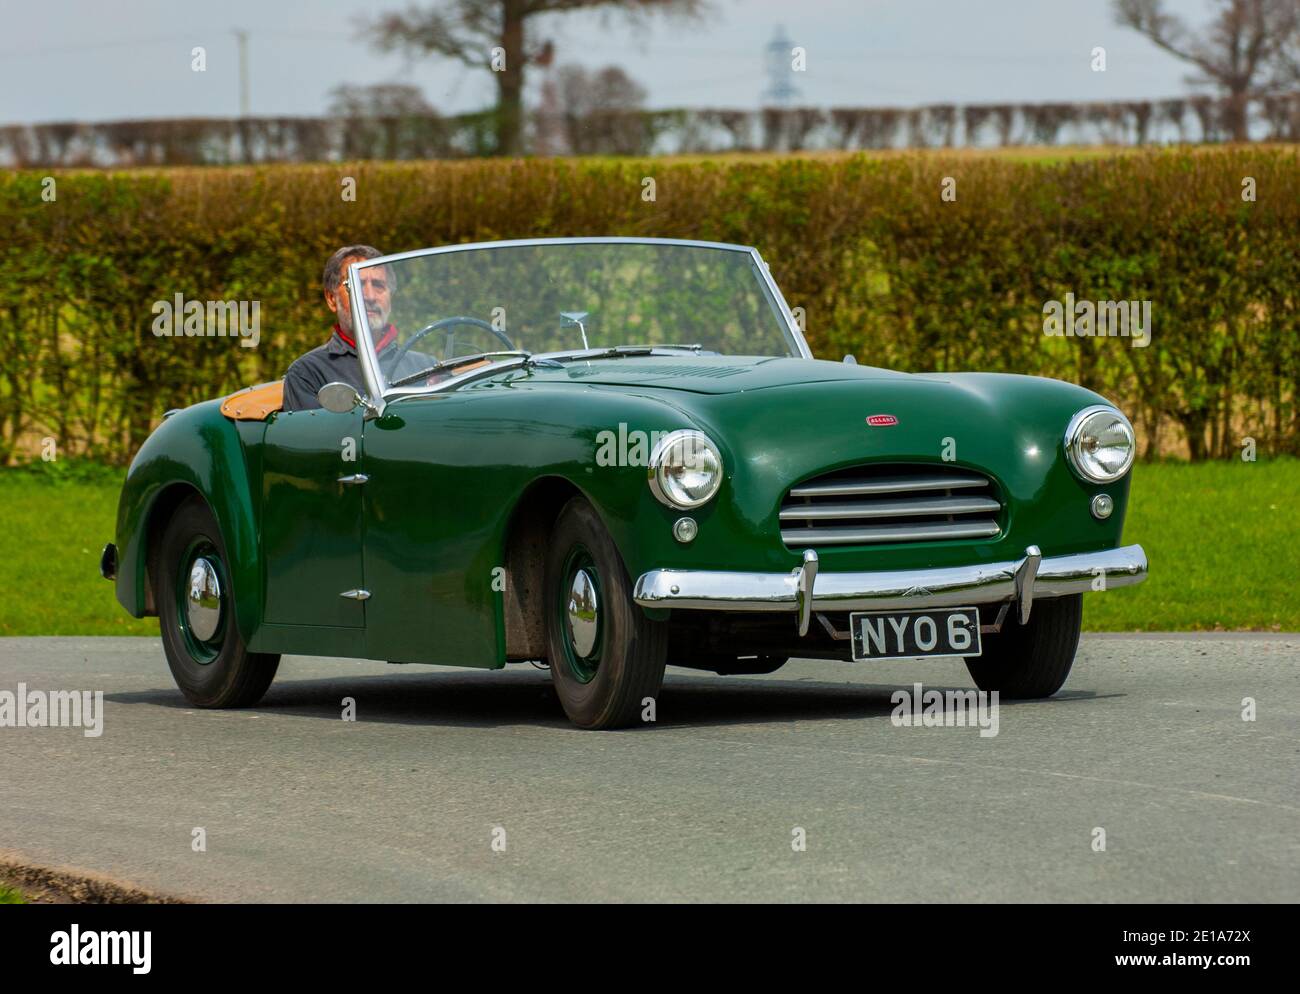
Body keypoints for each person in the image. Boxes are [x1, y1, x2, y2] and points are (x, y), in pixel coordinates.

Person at [281, 244, 407, 412]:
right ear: (332, 299)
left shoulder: (427, 367)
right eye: (356, 284)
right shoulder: (307, 373)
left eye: (378, 285)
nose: (369, 296)